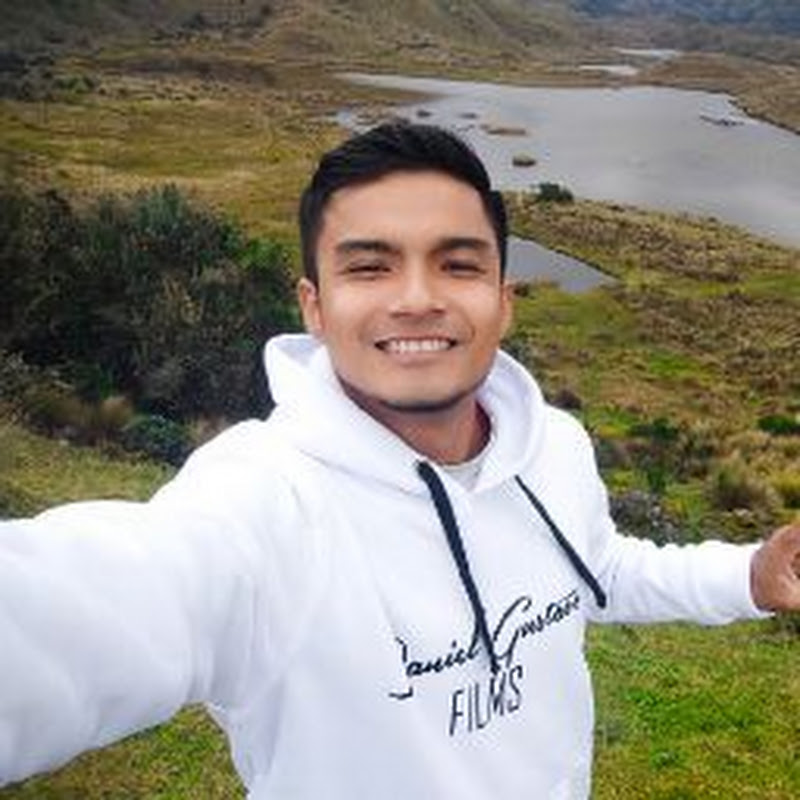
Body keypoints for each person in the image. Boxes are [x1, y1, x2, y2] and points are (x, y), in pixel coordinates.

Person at [1, 122, 798, 799]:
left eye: (459, 264)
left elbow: (598, 571)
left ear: (503, 300)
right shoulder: (264, 501)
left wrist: (749, 576)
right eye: (368, 266)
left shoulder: (554, 443)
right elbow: (88, 606)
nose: (417, 298)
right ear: (314, 306)